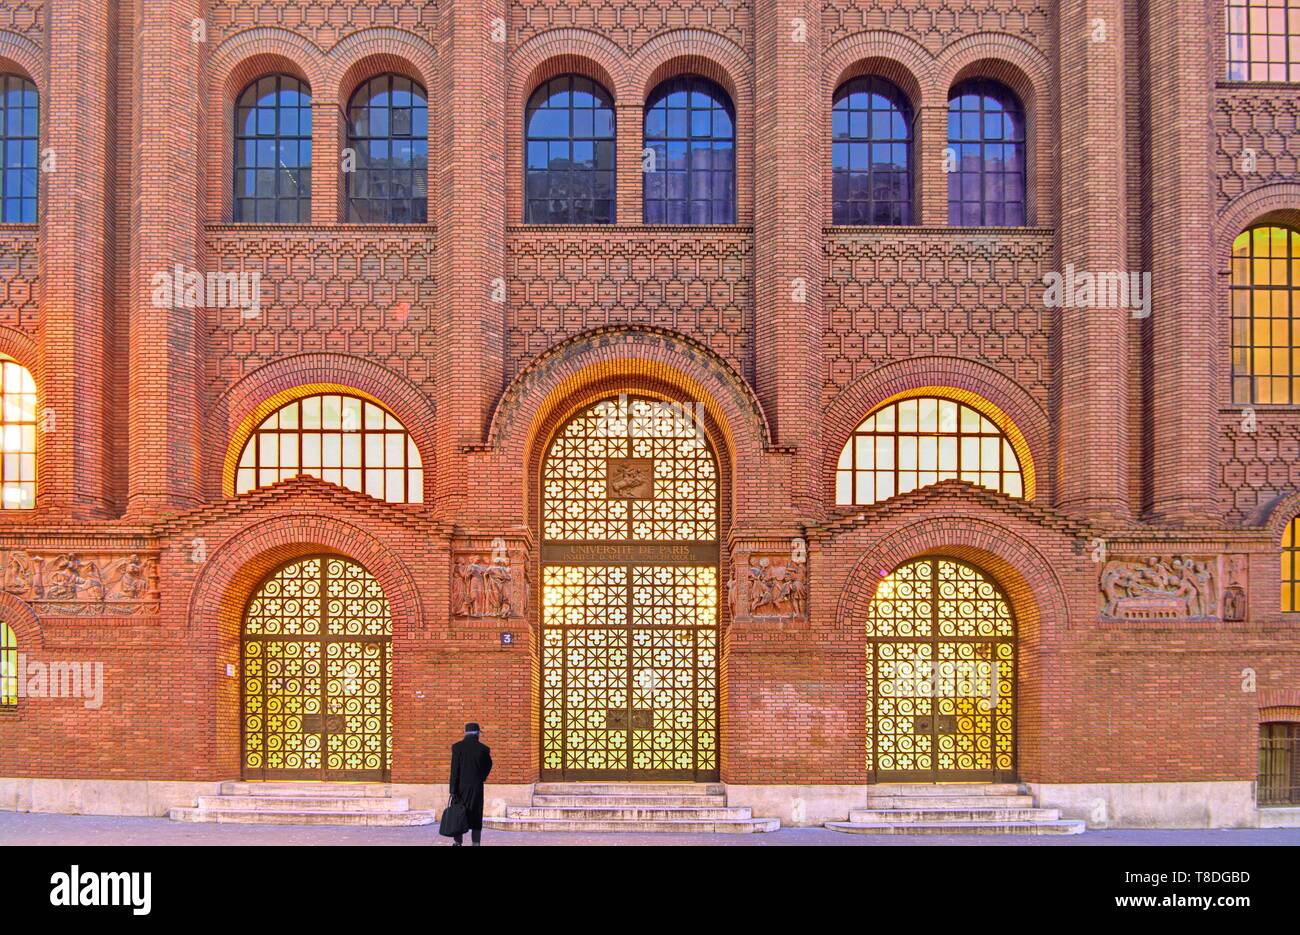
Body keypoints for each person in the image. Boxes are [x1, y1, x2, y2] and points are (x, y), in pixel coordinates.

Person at [449, 721, 493, 846]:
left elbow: (454, 770)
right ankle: (476, 843)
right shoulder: (484, 749)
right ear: (477, 733)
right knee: (476, 815)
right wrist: (481, 778)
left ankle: (458, 843)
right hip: (477, 788)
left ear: (465, 733)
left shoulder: (457, 747)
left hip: (460, 789)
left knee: (458, 815)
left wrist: (452, 790)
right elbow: (488, 766)